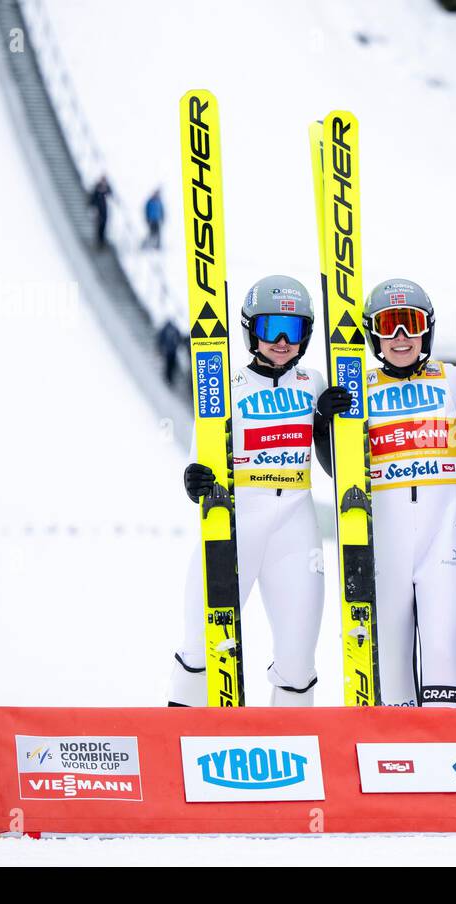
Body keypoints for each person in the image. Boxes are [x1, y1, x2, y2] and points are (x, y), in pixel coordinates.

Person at [168, 276, 348, 707]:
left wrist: (324, 426)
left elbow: (334, 469)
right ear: (251, 330)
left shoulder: (312, 380)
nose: (282, 341)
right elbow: (201, 459)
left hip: (295, 527)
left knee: (298, 655)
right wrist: (194, 480)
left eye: (295, 330)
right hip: (238, 521)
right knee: (202, 642)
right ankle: (179, 736)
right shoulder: (227, 383)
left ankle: (291, 746)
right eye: (270, 329)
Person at [329, 278, 456, 706]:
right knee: (391, 671)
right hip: (385, 549)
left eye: (409, 323)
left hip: (443, 546)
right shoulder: (359, 388)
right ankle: (396, 765)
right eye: (388, 325)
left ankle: (445, 758)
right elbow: (336, 467)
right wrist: (325, 425)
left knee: (443, 661)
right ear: (374, 334)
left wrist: (455, 488)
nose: (400, 337)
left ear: (426, 328)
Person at [87, 175, 112, 250]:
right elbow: (92, 199)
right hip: (98, 211)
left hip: (104, 212)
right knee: (98, 227)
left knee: (103, 227)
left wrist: (106, 189)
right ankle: (98, 242)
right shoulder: (97, 190)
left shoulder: (106, 190)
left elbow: (111, 193)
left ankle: (102, 242)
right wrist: (92, 208)